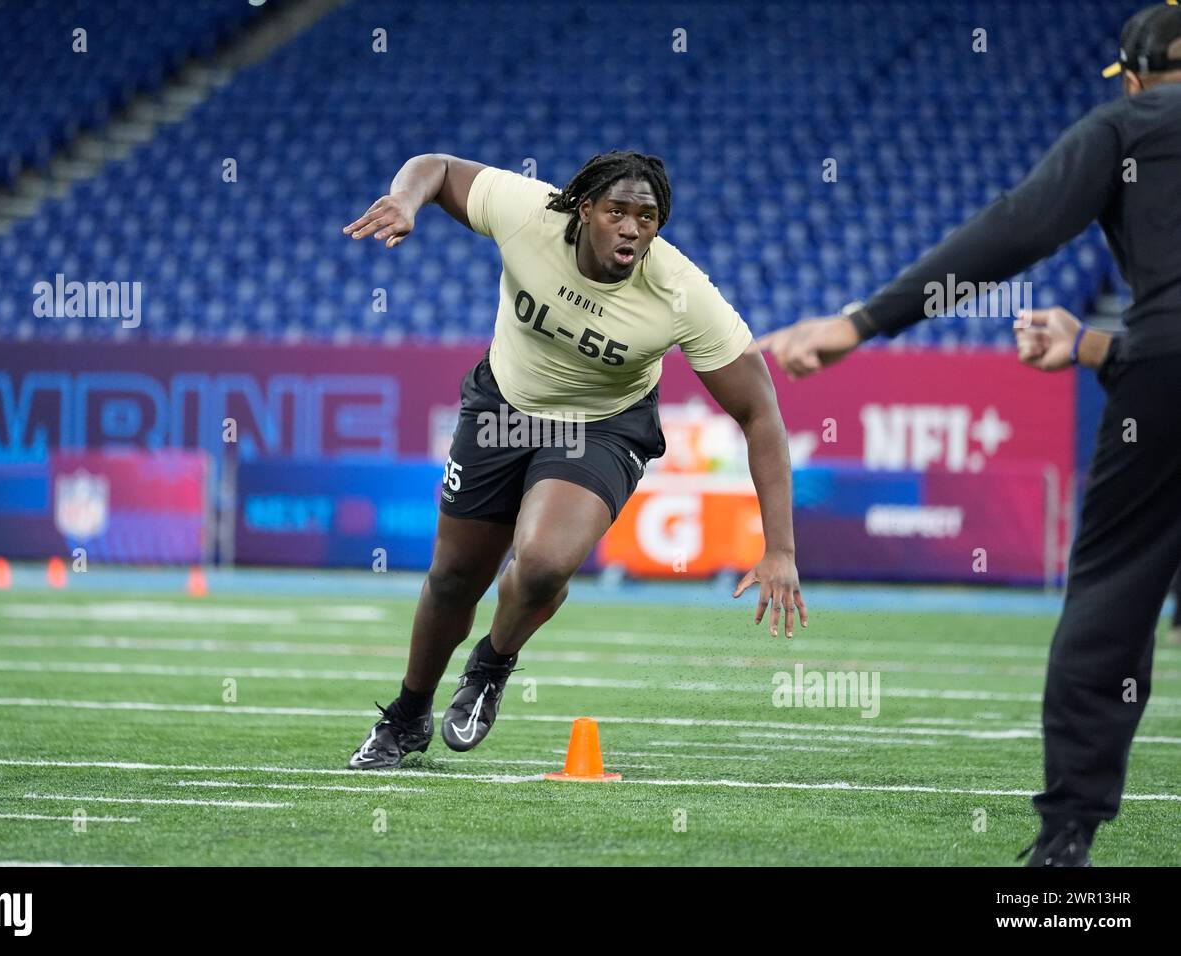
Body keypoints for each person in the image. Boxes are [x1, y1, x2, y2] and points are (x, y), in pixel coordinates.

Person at [752, 3, 1181, 866]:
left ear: (1133, 78)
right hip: (1153, 352)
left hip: (1164, 380)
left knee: (1112, 600)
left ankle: (1066, 838)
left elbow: (1016, 230)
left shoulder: (1127, 125)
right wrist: (1101, 346)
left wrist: (863, 322)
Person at [341, 150, 805, 769]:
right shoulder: (529, 213)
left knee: (541, 564)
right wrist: (405, 199)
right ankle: (407, 715)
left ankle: (492, 663)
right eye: (618, 210)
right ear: (583, 210)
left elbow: (760, 413)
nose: (633, 227)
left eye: (648, 216)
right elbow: (438, 167)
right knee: (453, 578)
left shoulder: (680, 291)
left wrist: (781, 550)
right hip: (502, 408)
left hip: (602, 428)